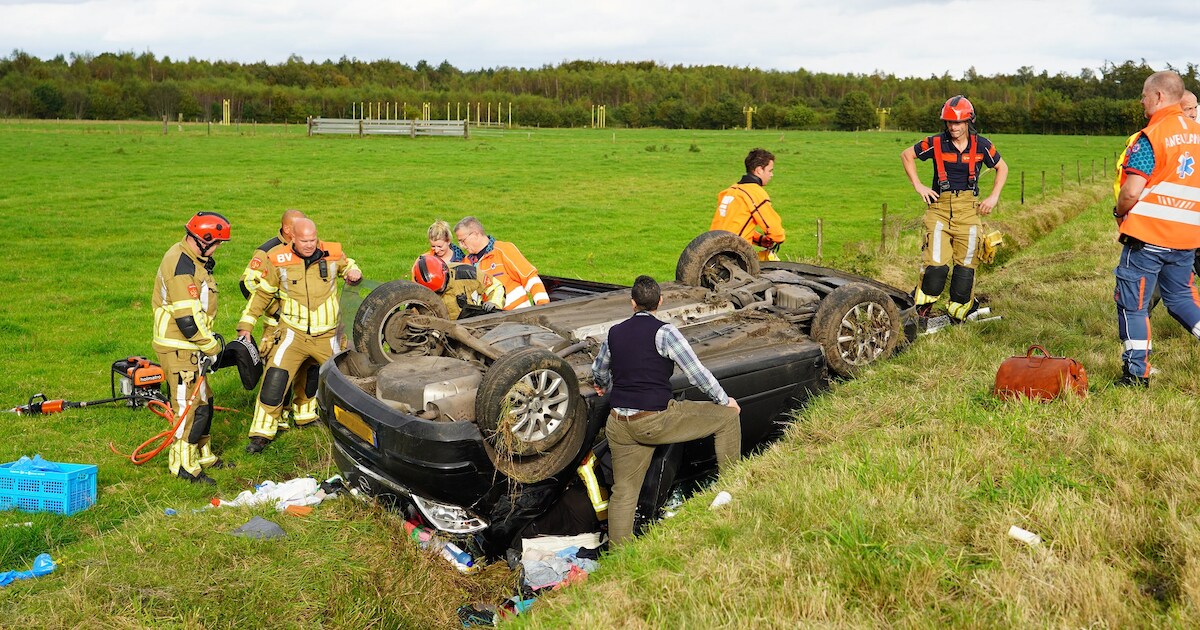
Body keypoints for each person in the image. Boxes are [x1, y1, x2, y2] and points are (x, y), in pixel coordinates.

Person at [591, 275, 741, 545]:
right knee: (728, 418)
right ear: (660, 301)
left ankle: (619, 556)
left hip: (619, 423)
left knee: (623, 493)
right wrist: (723, 400)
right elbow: (697, 373)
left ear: (632, 303)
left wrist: (601, 386)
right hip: (654, 420)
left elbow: (599, 372)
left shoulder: (614, 332)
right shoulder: (665, 333)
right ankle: (733, 488)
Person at [237, 218, 362, 452]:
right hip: (292, 334)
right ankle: (261, 434)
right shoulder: (277, 259)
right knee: (274, 379)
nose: (310, 244)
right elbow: (262, 294)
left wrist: (353, 271)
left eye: (313, 239)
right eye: (304, 241)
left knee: (345, 381)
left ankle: (349, 428)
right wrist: (246, 324)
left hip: (328, 334)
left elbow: (349, 265)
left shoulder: (333, 252)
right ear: (292, 238)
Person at [1112, 71, 1200, 387]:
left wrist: (1119, 211)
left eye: (1144, 95)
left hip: (1148, 237)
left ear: (1159, 96)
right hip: (1187, 239)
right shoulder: (1198, 134)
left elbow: (1131, 191)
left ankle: (1136, 374)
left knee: (1133, 305)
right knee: (1181, 299)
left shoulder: (1151, 136)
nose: (1142, 101)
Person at [901, 95, 1009, 323]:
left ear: (969, 121)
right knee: (936, 268)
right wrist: (918, 185)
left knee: (965, 270)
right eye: (949, 122)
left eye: (958, 122)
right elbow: (907, 155)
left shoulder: (982, 145)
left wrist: (994, 197)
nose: (953, 127)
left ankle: (958, 315)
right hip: (939, 210)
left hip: (969, 211)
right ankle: (918, 315)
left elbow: (1002, 167)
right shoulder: (935, 143)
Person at [152, 212, 232, 484]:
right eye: (216, 242)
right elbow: (187, 320)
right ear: (202, 239)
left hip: (192, 346)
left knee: (204, 401)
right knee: (188, 407)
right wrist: (212, 347)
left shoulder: (195, 259)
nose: (218, 248)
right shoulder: (182, 267)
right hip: (180, 347)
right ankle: (183, 466)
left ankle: (202, 454)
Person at [239, 209, 318, 430]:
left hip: (306, 325)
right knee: (279, 372)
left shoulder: (306, 248)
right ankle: (278, 417)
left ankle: (305, 414)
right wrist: (276, 310)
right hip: (277, 326)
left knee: (308, 366)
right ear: (287, 229)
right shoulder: (267, 251)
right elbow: (248, 284)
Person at [455, 216, 548, 310]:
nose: (461, 246)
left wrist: (543, 307)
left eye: (463, 241)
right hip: (488, 317)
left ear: (475, 234)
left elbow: (530, 278)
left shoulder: (504, 250)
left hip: (518, 313)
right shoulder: (466, 263)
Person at [711, 148, 787, 261]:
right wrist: (779, 238)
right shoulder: (755, 193)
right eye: (770, 170)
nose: (772, 175)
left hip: (711, 251)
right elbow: (775, 231)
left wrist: (759, 240)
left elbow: (731, 227)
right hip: (734, 255)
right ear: (759, 170)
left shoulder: (730, 191)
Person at [411, 253, 503, 319]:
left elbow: (495, 286)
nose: (441, 291)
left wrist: (494, 303)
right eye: (437, 291)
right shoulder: (418, 291)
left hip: (473, 321)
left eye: (442, 287)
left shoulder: (467, 273)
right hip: (441, 329)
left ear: (445, 271)